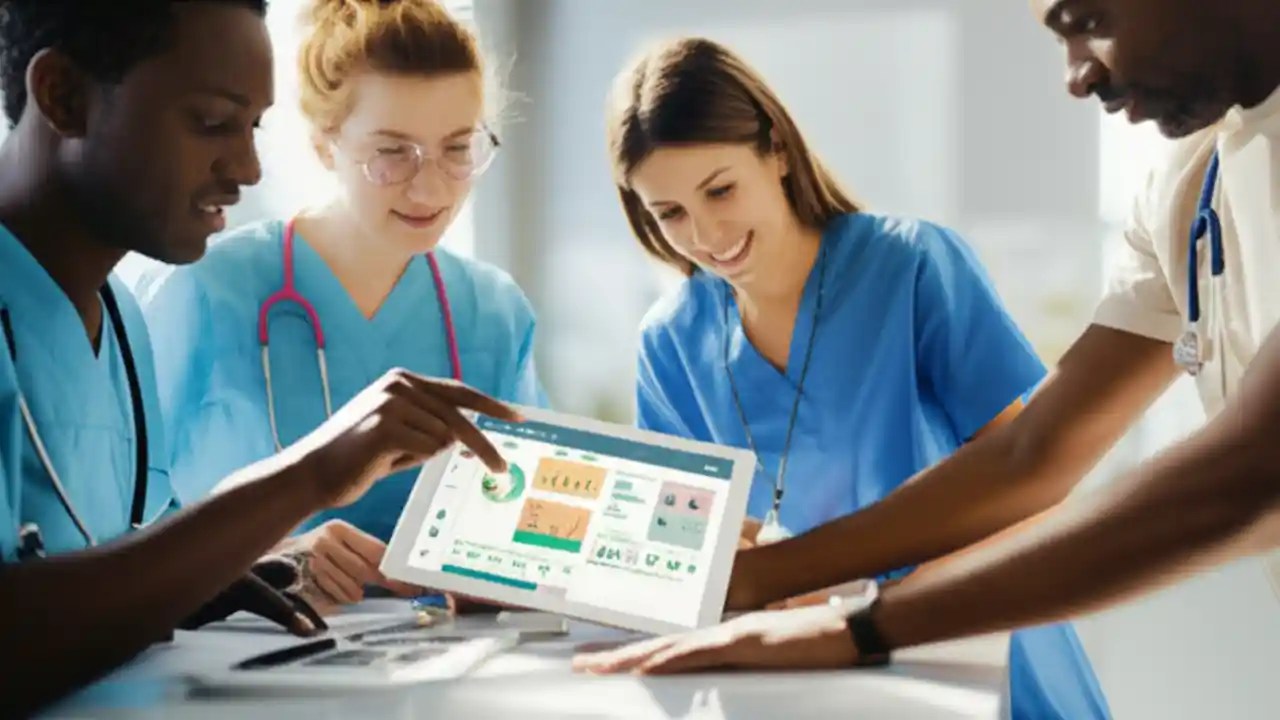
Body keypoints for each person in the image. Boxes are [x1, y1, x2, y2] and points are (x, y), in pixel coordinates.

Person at [575, 0, 1280, 711]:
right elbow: (1032, 455)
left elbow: (1250, 476)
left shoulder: (906, 265)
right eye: (669, 213)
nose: (1075, 76)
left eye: (1087, 17)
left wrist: (852, 616)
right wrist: (766, 583)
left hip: (950, 650)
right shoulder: (1188, 186)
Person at [0, 2, 518, 715]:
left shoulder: (117, 322)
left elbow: (123, 564)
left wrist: (234, 574)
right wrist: (309, 474)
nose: (245, 168)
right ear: (62, 96)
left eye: (253, 128)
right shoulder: (181, 297)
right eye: (212, 122)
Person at [603, 36, 1110, 718]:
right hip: (798, 679)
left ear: (776, 150)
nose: (705, 234)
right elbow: (689, 546)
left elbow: (1037, 498)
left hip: (977, 651)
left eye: (720, 189)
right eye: (669, 214)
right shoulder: (669, 342)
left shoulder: (911, 268)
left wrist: (868, 610)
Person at [137, 0, 546, 614]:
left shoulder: (493, 310)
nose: (431, 187)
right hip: (239, 666)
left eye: (458, 149)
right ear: (326, 146)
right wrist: (267, 556)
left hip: (445, 669)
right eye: (392, 153)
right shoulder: (205, 291)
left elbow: (535, 519)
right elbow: (119, 533)